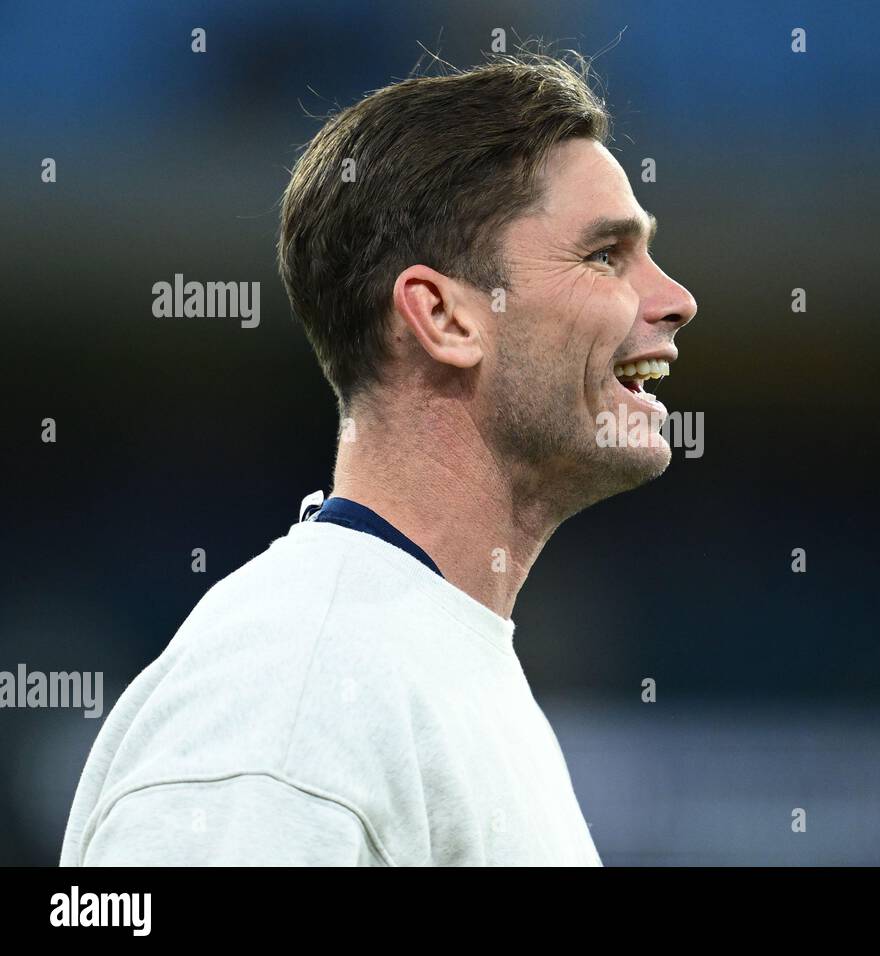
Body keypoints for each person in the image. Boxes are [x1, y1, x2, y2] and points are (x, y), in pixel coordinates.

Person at [60, 51, 698, 866]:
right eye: (606, 255)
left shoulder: (420, 663)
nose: (675, 299)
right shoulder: (296, 693)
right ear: (443, 317)